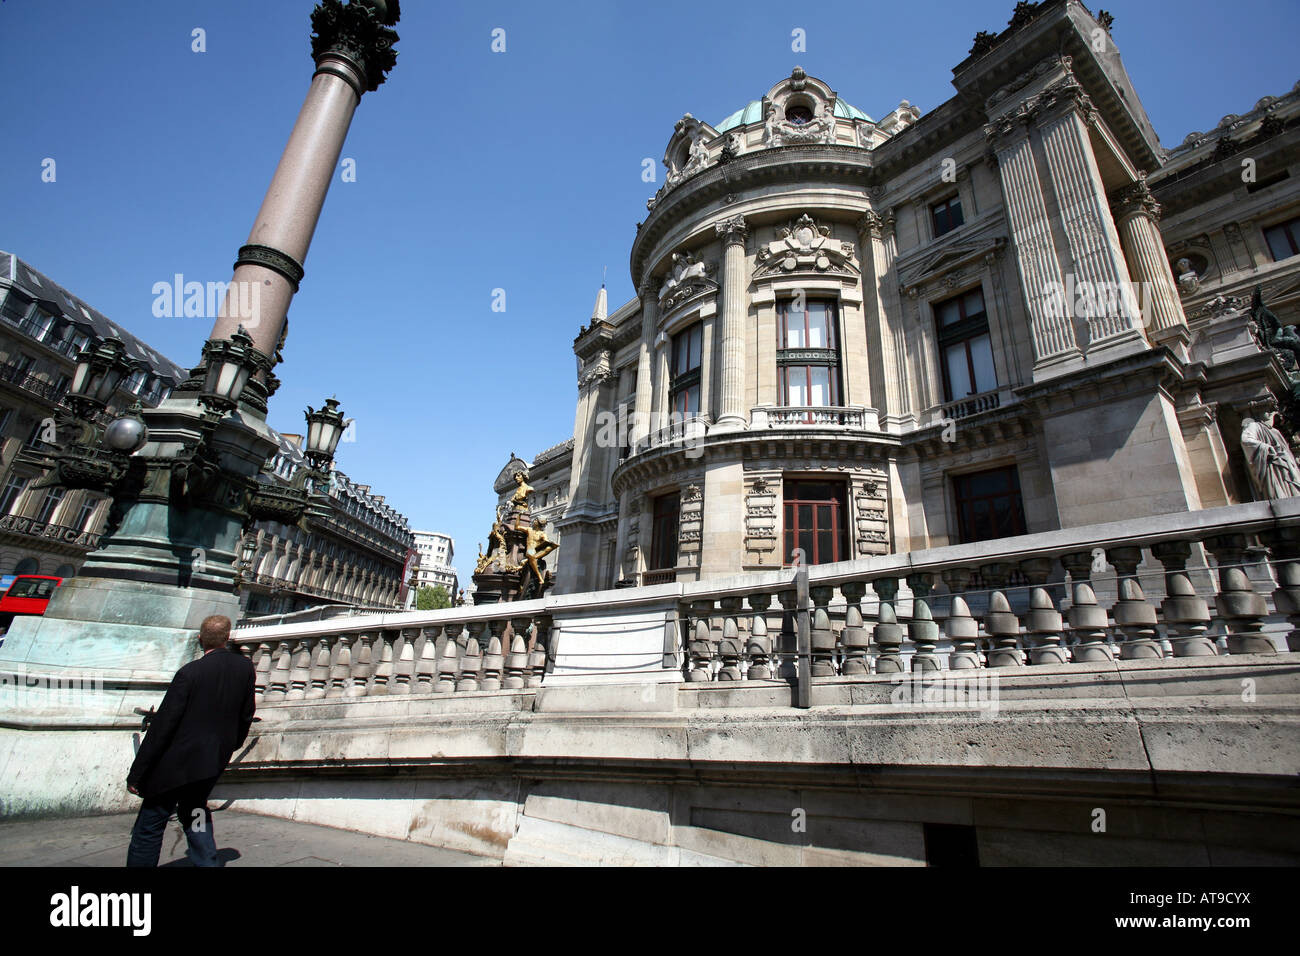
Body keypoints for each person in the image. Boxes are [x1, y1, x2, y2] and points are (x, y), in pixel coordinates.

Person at [125, 614, 256, 867]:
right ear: (227, 638)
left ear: (199, 638)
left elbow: (163, 727)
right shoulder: (244, 668)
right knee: (194, 811)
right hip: (210, 763)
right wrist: (229, 746)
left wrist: (137, 774)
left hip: (174, 767)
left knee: (150, 826)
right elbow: (246, 715)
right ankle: (207, 862)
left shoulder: (189, 673)